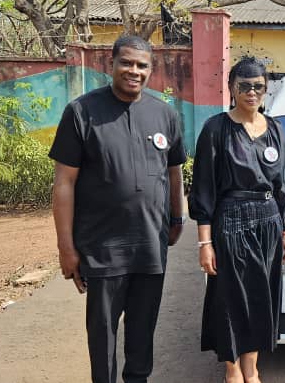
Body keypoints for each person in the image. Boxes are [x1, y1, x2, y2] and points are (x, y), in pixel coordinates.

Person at [49, 35, 186, 383]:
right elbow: (63, 183)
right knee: (103, 336)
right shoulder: (82, 112)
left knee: (142, 335)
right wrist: (66, 248)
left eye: (142, 65)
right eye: (127, 63)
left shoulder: (165, 115)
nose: (134, 71)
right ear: (110, 64)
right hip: (102, 247)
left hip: (150, 246)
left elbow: (174, 171)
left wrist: (175, 216)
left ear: (151, 70)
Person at [188, 56, 285, 383]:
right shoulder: (216, 129)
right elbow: (204, 188)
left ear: (266, 90)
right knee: (229, 296)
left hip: (269, 222)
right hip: (231, 221)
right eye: (245, 86)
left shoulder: (276, 129)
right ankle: (232, 369)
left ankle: (252, 367)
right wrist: (204, 242)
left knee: (261, 295)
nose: (252, 92)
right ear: (232, 89)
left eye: (259, 87)